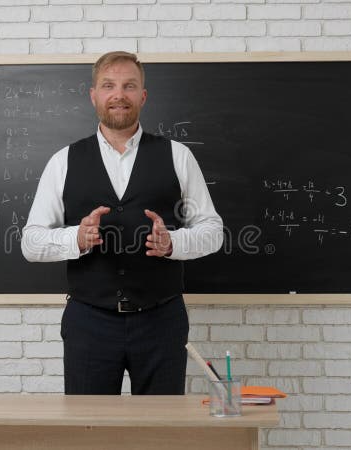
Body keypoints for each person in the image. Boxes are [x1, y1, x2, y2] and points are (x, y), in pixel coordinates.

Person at [21, 51, 223, 395]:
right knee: (89, 434)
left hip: (162, 319)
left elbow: (212, 230)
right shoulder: (63, 161)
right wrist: (77, 240)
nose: (119, 94)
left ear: (143, 96)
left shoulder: (178, 155)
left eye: (129, 86)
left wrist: (174, 244)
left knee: (161, 432)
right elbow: (31, 242)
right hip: (88, 321)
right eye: (109, 85)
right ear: (94, 95)